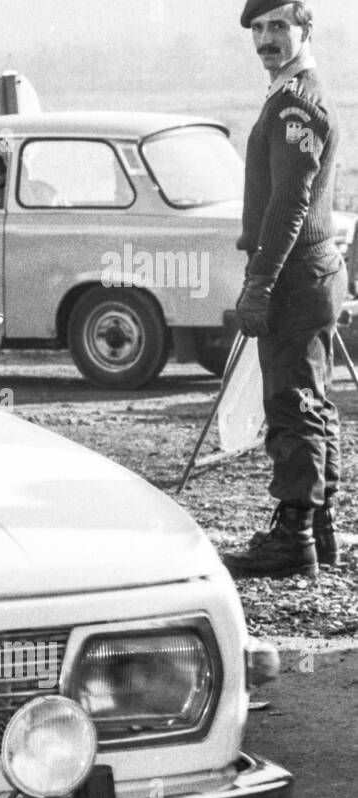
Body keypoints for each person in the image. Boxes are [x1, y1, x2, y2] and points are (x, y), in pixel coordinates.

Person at [222, 0, 348, 578]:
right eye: (260, 28)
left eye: (280, 26)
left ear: (304, 30)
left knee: (291, 405)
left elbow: (289, 205)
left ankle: (294, 539)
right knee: (312, 401)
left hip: (296, 278)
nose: (268, 38)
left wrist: (260, 283)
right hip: (311, 274)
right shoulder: (291, 91)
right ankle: (318, 532)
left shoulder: (297, 103)